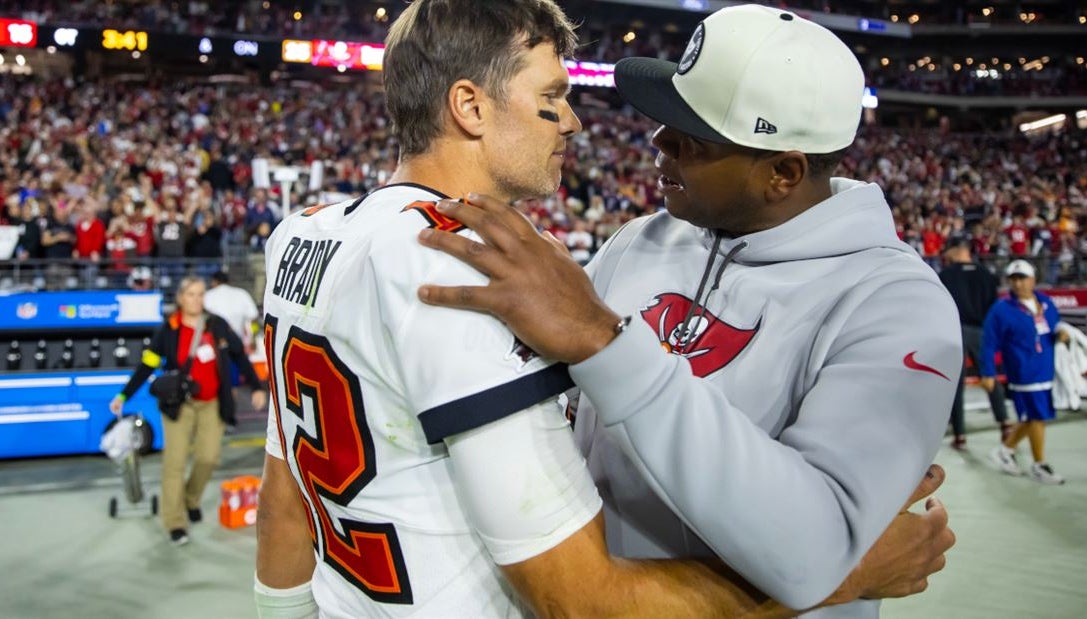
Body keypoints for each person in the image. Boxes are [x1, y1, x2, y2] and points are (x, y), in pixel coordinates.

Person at [255, 2, 953, 618]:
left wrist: (605, 343)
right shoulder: (621, 245)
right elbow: (584, 595)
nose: (655, 141)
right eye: (552, 97)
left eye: (693, 136)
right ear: (469, 106)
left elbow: (813, 543)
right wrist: (838, 577)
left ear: (784, 171)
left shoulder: (895, 305)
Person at [110, 276, 266, 545]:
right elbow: (147, 365)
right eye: (191, 294)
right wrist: (124, 394)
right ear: (181, 298)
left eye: (200, 294)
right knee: (175, 463)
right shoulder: (169, 329)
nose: (196, 300)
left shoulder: (216, 324)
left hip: (212, 404)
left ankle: (190, 499)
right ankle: (175, 522)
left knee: (208, 458)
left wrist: (256, 386)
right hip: (179, 406)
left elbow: (239, 354)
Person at [981, 260, 1070, 485]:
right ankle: (1039, 465)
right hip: (1023, 372)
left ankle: (1005, 450)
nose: (1018, 284)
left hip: (1045, 368)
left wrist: (1061, 334)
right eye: (1013, 279)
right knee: (1037, 417)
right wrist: (988, 372)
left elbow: (1054, 325)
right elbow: (989, 343)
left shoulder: (1045, 302)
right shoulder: (1001, 309)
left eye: (1022, 278)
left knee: (1032, 417)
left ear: (1033, 280)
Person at [938, 234, 1011, 449]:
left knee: (955, 384)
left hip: (955, 332)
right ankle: (1005, 423)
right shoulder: (986, 274)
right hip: (982, 331)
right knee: (989, 376)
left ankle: (960, 435)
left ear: (955, 250)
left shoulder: (946, 275)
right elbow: (994, 307)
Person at [202, 270, 259, 355]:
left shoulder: (208, 295)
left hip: (215, 348)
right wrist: (253, 339)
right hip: (237, 346)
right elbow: (253, 319)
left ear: (214, 282)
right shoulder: (242, 294)